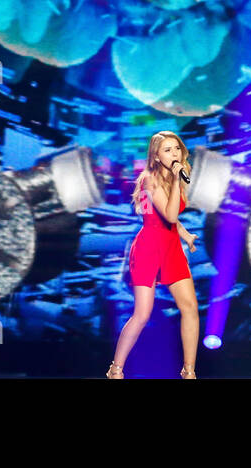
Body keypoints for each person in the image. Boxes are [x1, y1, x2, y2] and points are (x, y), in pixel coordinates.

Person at [107, 131, 201, 379]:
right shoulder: (150, 179)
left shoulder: (174, 177)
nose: (174, 154)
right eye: (167, 150)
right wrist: (176, 181)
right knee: (142, 314)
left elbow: (172, 221)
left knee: (190, 307)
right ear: (157, 156)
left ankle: (189, 371)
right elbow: (168, 215)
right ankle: (116, 368)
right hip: (149, 247)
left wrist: (186, 235)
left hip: (171, 247)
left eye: (176, 148)